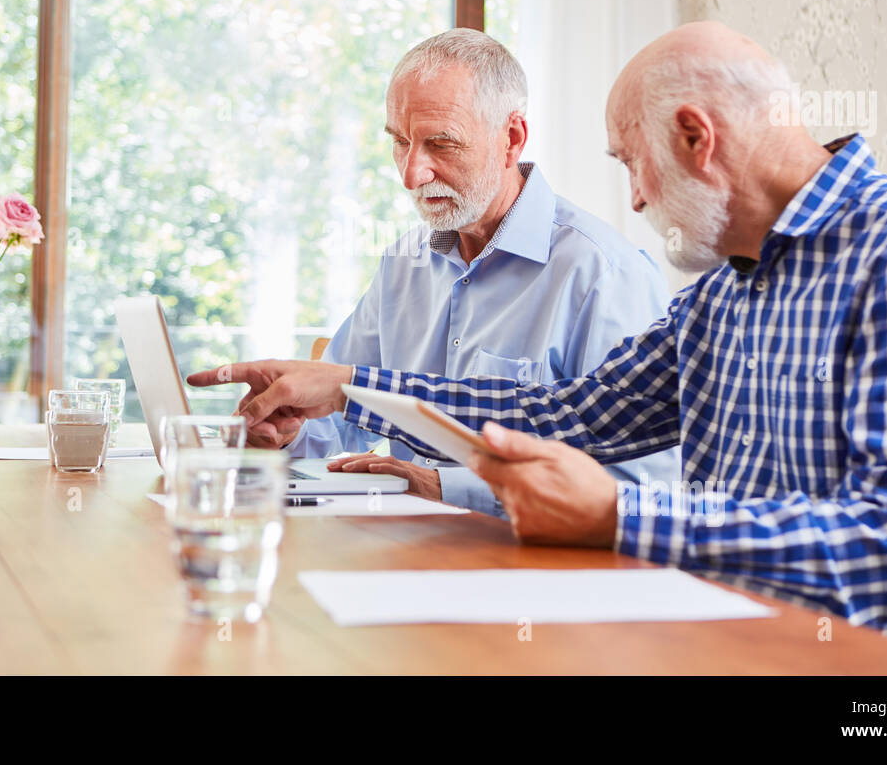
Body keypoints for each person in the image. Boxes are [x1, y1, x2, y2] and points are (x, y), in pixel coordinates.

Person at [190, 21, 887, 671]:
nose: (632, 198)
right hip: (739, 640)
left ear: (698, 138)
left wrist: (621, 515)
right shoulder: (729, 287)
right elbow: (571, 414)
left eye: (635, 164)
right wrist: (349, 388)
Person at [282, 28, 679, 514]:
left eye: (441, 144)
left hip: (535, 570)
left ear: (511, 139)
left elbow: (635, 489)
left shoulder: (603, 273)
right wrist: (284, 429)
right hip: (407, 552)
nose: (412, 174)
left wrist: (445, 486)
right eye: (400, 143)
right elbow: (337, 409)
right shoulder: (403, 264)